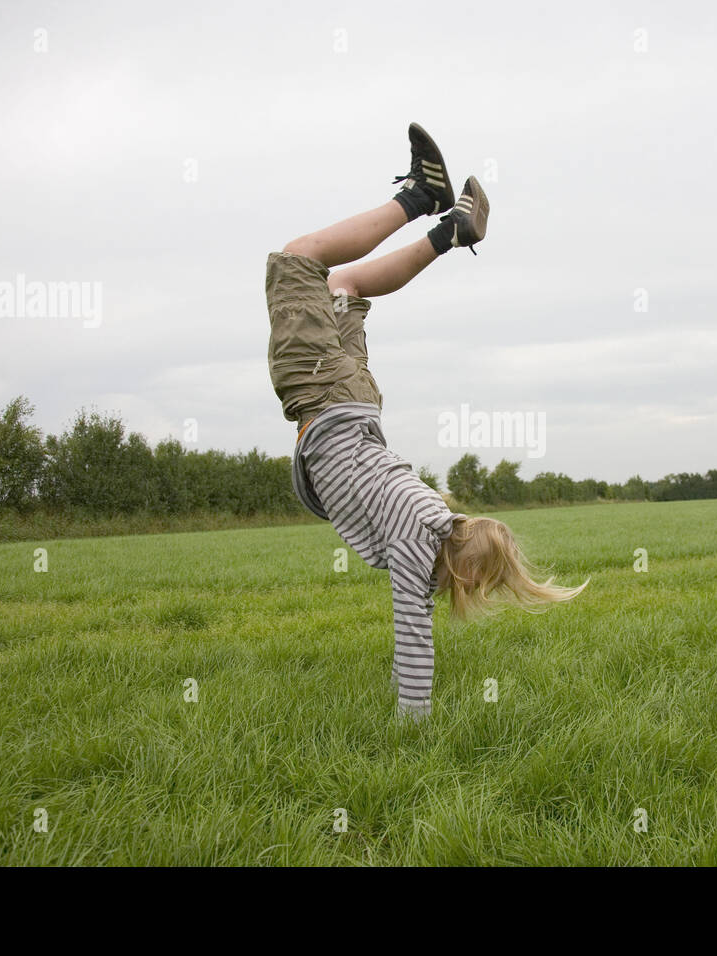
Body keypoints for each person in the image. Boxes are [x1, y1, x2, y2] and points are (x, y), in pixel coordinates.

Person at [265, 123, 587, 720]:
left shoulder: (432, 516)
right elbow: (413, 637)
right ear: (460, 574)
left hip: (356, 404)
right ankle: (421, 196)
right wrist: (414, 720)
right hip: (329, 401)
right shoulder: (420, 543)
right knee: (298, 261)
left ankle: (450, 231)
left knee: (343, 282)